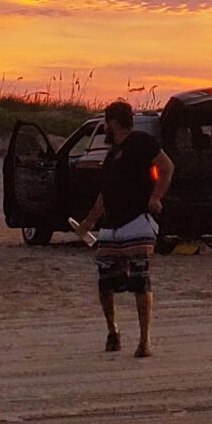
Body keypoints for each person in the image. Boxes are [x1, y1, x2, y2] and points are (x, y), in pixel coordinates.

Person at [79, 100, 173, 358]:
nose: (105, 128)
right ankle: (113, 331)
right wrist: (89, 221)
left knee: (140, 280)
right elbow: (105, 193)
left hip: (137, 221)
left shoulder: (141, 141)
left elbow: (167, 167)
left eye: (106, 123)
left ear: (113, 122)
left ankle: (145, 341)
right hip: (112, 225)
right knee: (105, 280)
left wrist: (156, 197)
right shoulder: (111, 155)